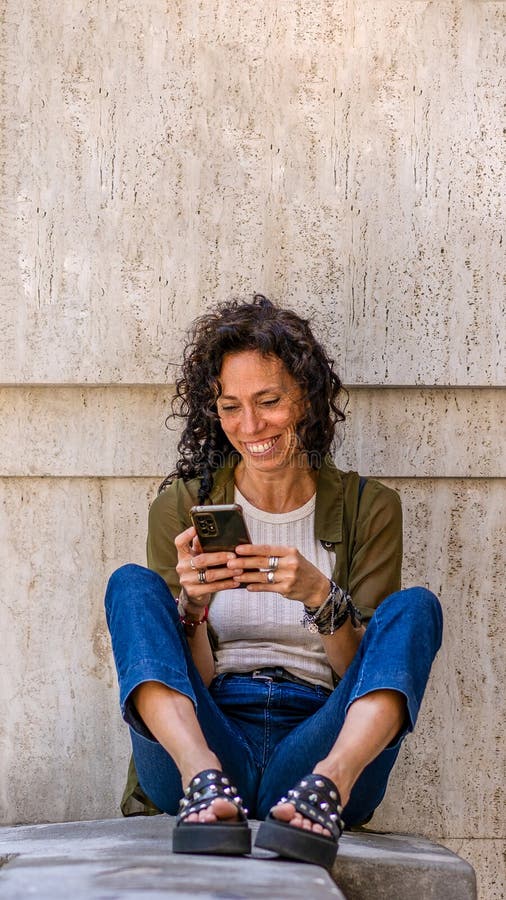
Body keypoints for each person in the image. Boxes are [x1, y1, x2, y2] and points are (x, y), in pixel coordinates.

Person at [105, 294, 443, 870]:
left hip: (316, 741)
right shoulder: (183, 505)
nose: (251, 426)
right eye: (230, 406)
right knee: (132, 587)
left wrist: (319, 595)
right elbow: (189, 674)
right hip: (208, 736)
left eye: (268, 401)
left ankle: (324, 792)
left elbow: (366, 671)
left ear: (306, 399)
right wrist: (192, 608)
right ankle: (204, 787)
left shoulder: (370, 508)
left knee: (415, 609)